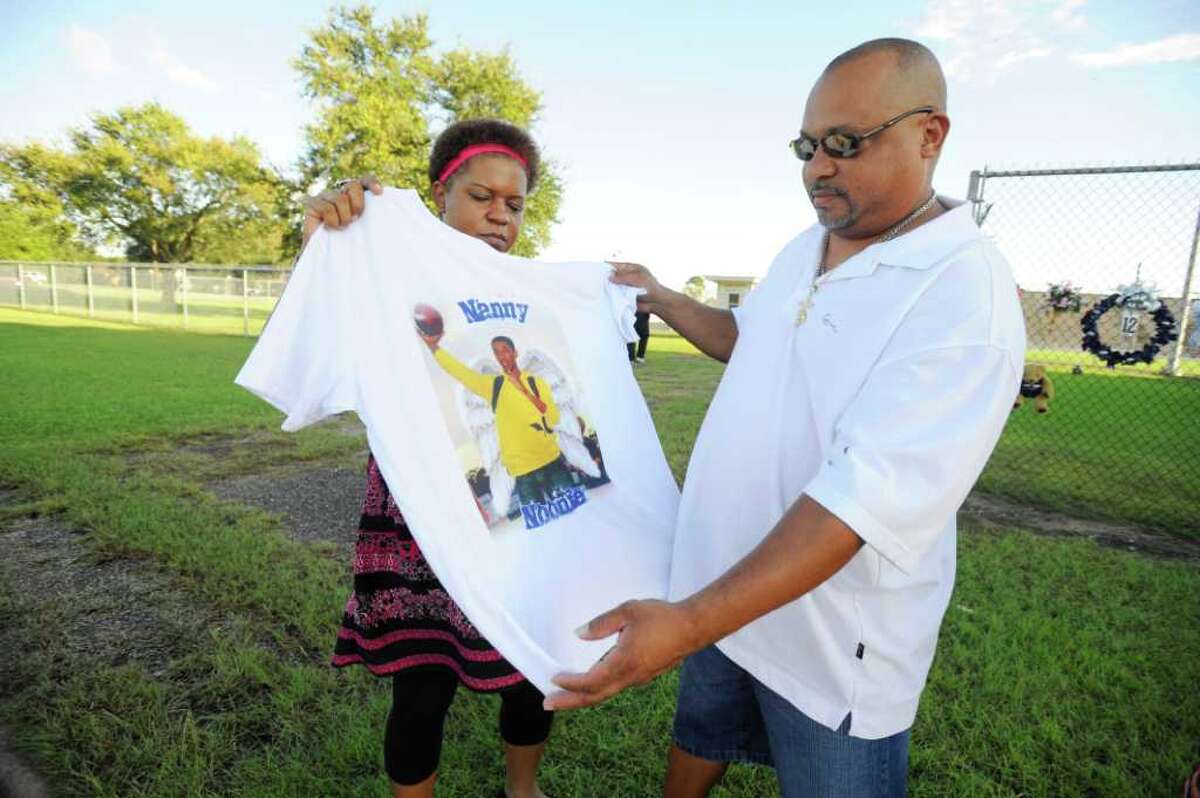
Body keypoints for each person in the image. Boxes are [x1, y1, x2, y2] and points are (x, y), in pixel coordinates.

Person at [544, 38, 1026, 798]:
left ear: (930, 136)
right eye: (806, 145)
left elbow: (857, 504)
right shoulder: (809, 245)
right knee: (700, 734)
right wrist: (666, 299)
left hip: (832, 644)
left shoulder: (963, 297)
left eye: (845, 143)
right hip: (728, 584)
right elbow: (754, 340)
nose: (817, 168)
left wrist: (689, 621)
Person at [301, 119, 555, 798]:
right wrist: (326, 233)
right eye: (482, 196)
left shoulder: (533, 289)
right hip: (420, 518)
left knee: (531, 670)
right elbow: (323, 313)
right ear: (440, 194)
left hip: (517, 510)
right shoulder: (390, 275)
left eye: (515, 203)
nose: (500, 214)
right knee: (422, 687)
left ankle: (522, 791)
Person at [418, 331, 575, 508]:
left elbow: (553, 418)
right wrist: (434, 347)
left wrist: (525, 393)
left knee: (576, 516)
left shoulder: (536, 382)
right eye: (496, 352)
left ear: (515, 352)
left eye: (505, 350)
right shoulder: (494, 385)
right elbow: (461, 372)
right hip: (523, 473)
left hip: (552, 463)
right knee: (541, 528)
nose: (501, 356)